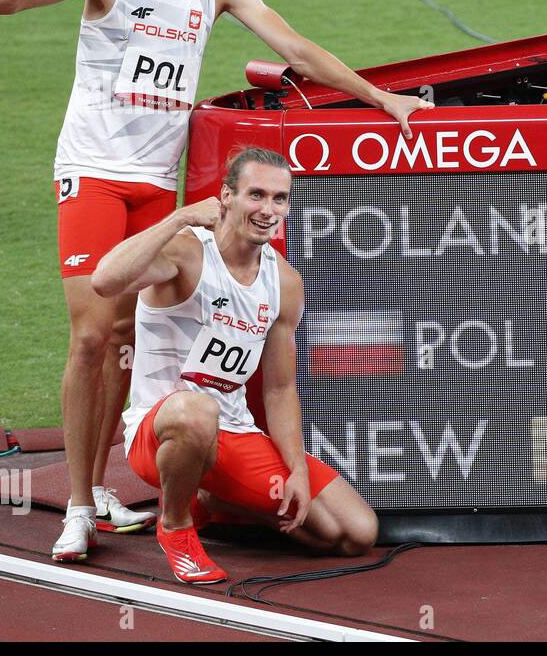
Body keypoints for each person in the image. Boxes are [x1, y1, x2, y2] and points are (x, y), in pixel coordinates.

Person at [0, 0, 429, 562]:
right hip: (93, 171)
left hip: (160, 180)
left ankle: (100, 485)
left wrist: (380, 98)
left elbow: (294, 47)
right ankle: (75, 506)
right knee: (92, 334)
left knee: (129, 329)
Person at [92, 147, 376, 584]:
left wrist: (296, 470)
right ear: (226, 196)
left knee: (354, 532)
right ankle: (177, 526)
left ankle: (217, 504)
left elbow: (279, 389)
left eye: (279, 199)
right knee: (196, 410)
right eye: (256, 195)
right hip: (162, 430)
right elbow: (104, 280)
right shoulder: (185, 254)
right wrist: (177, 218)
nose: (268, 210)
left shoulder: (283, 281)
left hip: (234, 435)